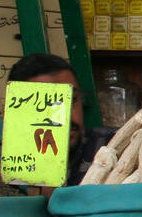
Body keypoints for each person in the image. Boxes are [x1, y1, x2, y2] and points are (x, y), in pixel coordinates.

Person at [8, 53, 86, 189]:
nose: (64, 117)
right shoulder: (4, 173)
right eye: (47, 104)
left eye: (71, 100)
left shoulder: (111, 151)